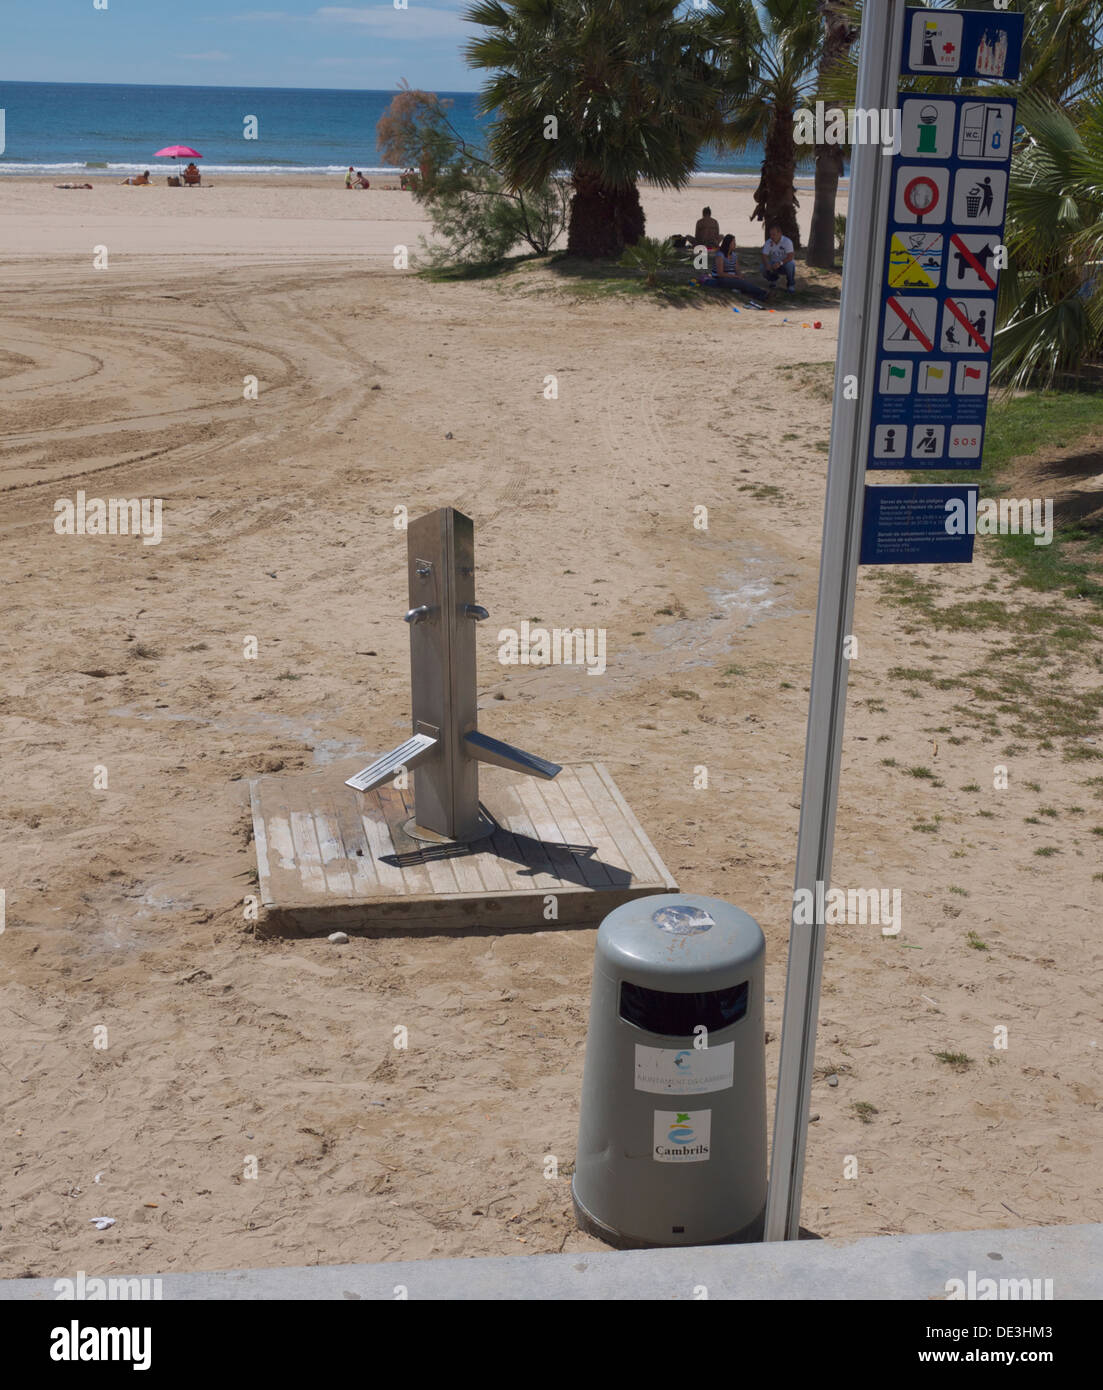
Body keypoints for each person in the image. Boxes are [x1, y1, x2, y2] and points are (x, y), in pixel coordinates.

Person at [711, 234, 770, 301]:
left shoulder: (734, 255)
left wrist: (740, 275)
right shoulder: (720, 255)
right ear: (728, 244)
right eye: (733, 243)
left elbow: (737, 270)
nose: (735, 244)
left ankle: (760, 296)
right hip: (720, 279)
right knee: (742, 284)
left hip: (732, 277)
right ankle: (763, 293)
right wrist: (735, 277)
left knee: (746, 282)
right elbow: (720, 273)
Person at [761, 224, 796, 291]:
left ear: (780, 233)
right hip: (773, 263)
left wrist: (780, 263)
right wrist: (767, 264)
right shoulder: (768, 242)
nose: (772, 237)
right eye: (770, 234)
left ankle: (791, 285)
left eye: (774, 234)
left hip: (784, 263)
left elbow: (791, 256)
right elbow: (764, 255)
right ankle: (773, 280)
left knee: (791, 264)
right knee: (762, 267)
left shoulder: (787, 241)